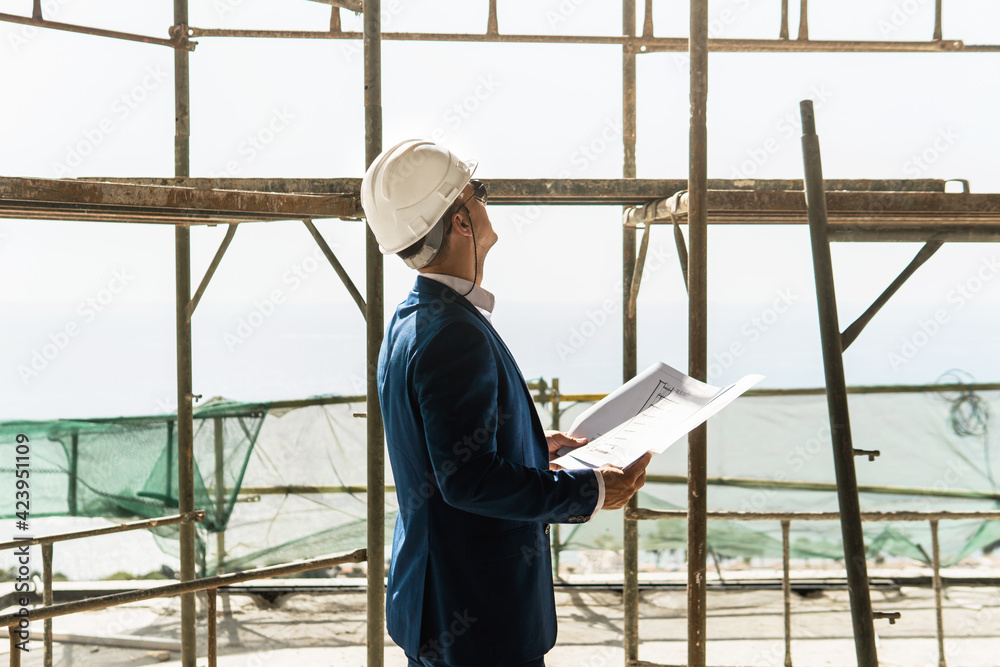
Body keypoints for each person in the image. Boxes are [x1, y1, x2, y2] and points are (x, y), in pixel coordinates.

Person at [362, 140, 651, 667]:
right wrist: (592, 489)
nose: (486, 203)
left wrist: (531, 447)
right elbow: (468, 480)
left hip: (437, 600)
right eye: (479, 194)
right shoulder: (453, 332)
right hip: (477, 616)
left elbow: (442, 455)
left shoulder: (412, 320)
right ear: (460, 223)